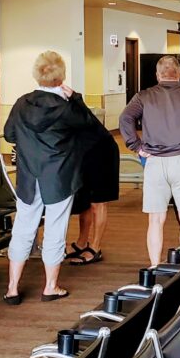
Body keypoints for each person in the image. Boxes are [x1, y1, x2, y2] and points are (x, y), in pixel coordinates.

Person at [3, 51, 95, 304]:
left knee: (23, 228)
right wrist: (75, 98)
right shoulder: (66, 108)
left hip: (28, 177)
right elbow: (90, 126)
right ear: (61, 76)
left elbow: (9, 135)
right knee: (55, 229)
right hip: (59, 177)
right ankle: (50, 286)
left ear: (36, 74)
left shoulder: (21, 103)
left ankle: (12, 288)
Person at [119, 55, 180, 267]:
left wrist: (136, 146)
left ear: (157, 75)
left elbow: (125, 118)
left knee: (155, 220)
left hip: (154, 161)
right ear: (179, 74)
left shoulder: (144, 96)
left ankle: (155, 265)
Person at [65, 101, 120, 266]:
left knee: (97, 202)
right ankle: (81, 243)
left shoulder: (67, 108)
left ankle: (95, 248)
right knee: (84, 202)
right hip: (83, 154)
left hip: (103, 152)